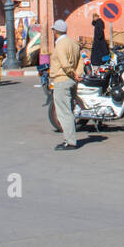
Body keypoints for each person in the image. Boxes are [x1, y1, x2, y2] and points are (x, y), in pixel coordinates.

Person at [48, 20, 82, 150]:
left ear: (55, 31)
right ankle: (70, 138)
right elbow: (80, 61)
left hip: (62, 79)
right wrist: (77, 74)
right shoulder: (73, 43)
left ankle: (70, 141)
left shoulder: (60, 45)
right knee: (70, 111)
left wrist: (72, 73)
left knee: (64, 112)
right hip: (72, 81)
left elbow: (64, 63)